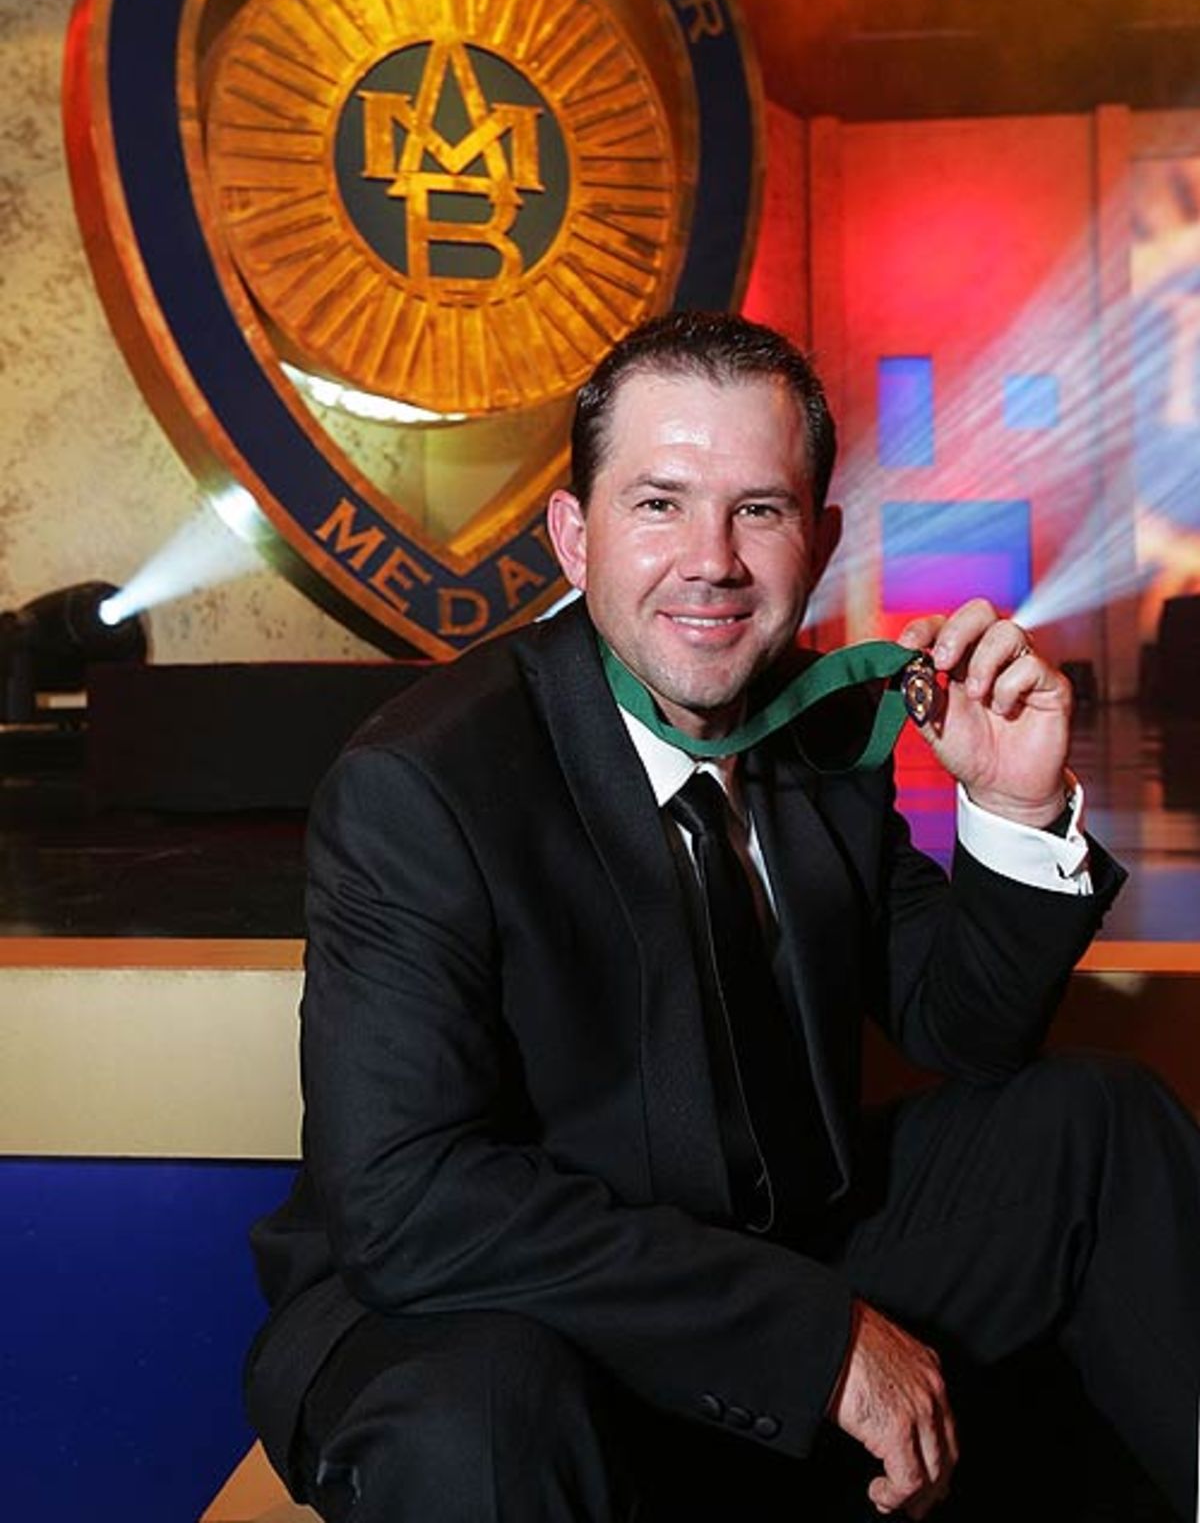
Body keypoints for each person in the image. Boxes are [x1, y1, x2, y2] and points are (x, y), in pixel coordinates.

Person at [245, 311, 1200, 1522]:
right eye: (659, 504)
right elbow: (411, 1203)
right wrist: (817, 1337)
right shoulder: (422, 783)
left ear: (822, 539)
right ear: (573, 537)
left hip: (777, 1238)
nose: (713, 558)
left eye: (760, 508)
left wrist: (1013, 808)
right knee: (476, 1410)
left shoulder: (811, 727)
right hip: (498, 1301)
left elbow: (964, 1033)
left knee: (1095, 1124)